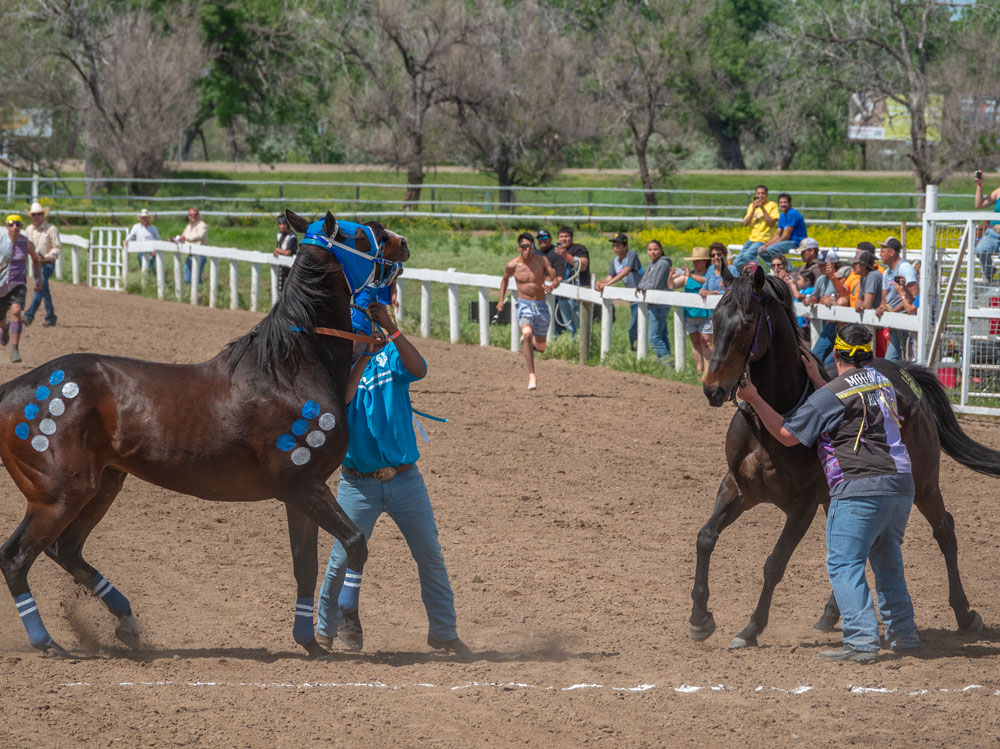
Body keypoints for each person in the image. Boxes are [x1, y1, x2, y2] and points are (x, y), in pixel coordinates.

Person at [737, 324, 918, 662]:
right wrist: (822, 383)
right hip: (900, 486)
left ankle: (862, 641)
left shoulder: (830, 396)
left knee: (844, 563)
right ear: (870, 355)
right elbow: (851, 399)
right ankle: (904, 635)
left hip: (859, 487)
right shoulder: (883, 383)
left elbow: (787, 434)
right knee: (887, 560)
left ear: (834, 355)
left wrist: (754, 397)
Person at [316, 300, 471, 659]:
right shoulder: (336, 373)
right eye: (352, 337)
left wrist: (392, 329)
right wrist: (363, 359)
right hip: (358, 484)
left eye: (359, 335)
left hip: (405, 481)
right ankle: (323, 632)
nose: (355, 341)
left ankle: (444, 633)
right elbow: (343, 401)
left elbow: (419, 368)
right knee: (340, 558)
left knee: (429, 554)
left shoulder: (391, 359)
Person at [497, 232, 560, 390]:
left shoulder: (542, 260)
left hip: (541, 306)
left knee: (541, 348)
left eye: (530, 246)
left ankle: (529, 340)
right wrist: (500, 300)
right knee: (526, 333)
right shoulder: (512, 265)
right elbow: (504, 279)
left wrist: (552, 286)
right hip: (524, 304)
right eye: (524, 247)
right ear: (519, 248)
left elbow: (555, 278)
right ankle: (532, 375)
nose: (528, 250)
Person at [0, 216, 42, 363]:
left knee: (16, 311)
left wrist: (39, 279)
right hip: (1, 285)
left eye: (18, 225)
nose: (14, 228)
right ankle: (4, 327)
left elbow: (36, 260)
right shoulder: (1, 240)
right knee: (1, 318)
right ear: (7, 227)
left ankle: (15, 349)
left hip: (17, 283)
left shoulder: (26, 243)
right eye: (11, 225)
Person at [668, 246, 714, 376]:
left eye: (697, 260)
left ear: (704, 261)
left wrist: (690, 275)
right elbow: (672, 285)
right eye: (694, 260)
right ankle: (699, 371)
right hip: (690, 314)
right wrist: (670, 277)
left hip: (706, 314)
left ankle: (708, 372)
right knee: (695, 343)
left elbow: (708, 282)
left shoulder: (708, 274)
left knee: (706, 342)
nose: (695, 263)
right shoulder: (688, 276)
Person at [875, 236, 919, 362]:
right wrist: (882, 307)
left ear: (892, 252)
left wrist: (894, 310)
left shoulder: (905, 268)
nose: (880, 254)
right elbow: (884, 298)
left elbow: (914, 297)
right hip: (893, 319)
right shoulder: (886, 273)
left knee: (892, 358)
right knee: (896, 356)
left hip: (904, 320)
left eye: (883, 251)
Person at [596, 232, 642, 351]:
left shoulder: (632, 255)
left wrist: (608, 284)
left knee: (634, 327)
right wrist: (601, 283)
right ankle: (637, 351)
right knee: (637, 327)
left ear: (625, 247)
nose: (615, 248)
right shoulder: (614, 262)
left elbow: (626, 271)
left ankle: (637, 351)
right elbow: (609, 278)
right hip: (633, 299)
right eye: (614, 245)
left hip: (642, 296)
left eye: (618, 245)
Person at [23, 202, 60, 327]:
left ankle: (29, 315)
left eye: (39, 214)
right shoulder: (29, 230)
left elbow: (57, 248)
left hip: (47, 264)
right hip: (36, 264)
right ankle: (51, 317)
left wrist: (47, 256)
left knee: (39, 288)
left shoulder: (51, 229)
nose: (36, 217)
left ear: (43, 215)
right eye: (34, 215)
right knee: (44, 290)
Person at [635, 239, 672, 363]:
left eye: (655, 249)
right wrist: (642, 286)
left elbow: (656, 284)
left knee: (654, 338)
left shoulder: (663, 264)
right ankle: (669, 364)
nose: (653, 252)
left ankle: (668, 365)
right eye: (650, 250)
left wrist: (643, 286)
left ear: (661, 250)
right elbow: (643, 280)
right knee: (662, 336)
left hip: (659, 303)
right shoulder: (652, 264)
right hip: (654, 303)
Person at [810, 250, 847, 367]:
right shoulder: (821, 278)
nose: (820, 267)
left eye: (823, 264)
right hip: (830, 325)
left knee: (829, 362)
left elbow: (824, 298)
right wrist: (814, 299)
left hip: (840, 325)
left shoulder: (836, 279)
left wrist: (819, 299)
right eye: (820, 264)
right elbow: (815, 297)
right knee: (815, 355)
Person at [551, 226, 590, 336]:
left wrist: (566, 255)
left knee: (580, 326)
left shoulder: (579, 249)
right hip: (563, 295)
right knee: (569, 327)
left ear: (572, 238)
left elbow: (583, 266)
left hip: (578, 293)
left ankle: (582, 349)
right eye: (561, 237)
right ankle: (572, 347)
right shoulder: (555, 252)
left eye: (566, 236)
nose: (563, 239)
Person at [734, 185, 779, 271]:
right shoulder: (752, 205)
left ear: (767, 195)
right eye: (758, 193)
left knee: (748, 256)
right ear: (755, 194)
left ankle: (764, 274)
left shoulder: (772, 205)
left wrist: (762, 208)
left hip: (763, 239)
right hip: (752, 239)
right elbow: (746, 223)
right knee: (737, 262)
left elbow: (771, 223)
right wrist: (753, 210)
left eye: (763, 193)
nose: (761, 196)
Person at [761, 193, 808, 259]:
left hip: (797, 242)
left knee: (771, 249)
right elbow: (778, 234)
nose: (783, 204)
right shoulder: (782, 215)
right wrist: (766, 245)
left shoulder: (792, 213)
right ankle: (775, 267)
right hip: (788, 241)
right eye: (781, 202)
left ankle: (787, 268)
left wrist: (771, 245)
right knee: (761, 251)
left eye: (785, 202)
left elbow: (786, 235)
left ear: (790, 203)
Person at [973, 169, 1000, 282]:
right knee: (980, 250)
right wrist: (980, 184)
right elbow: (979, 204)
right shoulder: (999, 191)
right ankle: (989, 271)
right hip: (993, 232)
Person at [177, 206, 209, 285]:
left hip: (200, 255)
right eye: (191, 215)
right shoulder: (188, 226)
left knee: (196, 278)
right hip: (190, 255)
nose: (193, 216)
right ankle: (191, 295)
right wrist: (176, 240)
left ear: (198, 215)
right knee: (188, 279)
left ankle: (199, 295)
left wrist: (185, 237)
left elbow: (198, 237)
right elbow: (183, 238)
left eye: (195, 214)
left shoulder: (203, 225)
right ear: (188, 216)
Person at [273, 214, 299, 296]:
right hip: (281, 266)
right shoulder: (279, 235)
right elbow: (278, 247)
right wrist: (277, 251)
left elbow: (288, 252)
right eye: (280, 224)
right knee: (280, 289)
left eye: (284, 224)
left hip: (290, 267)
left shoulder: (292, 237)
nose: (282, 226)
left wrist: (278, 250)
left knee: (289, 290)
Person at [851, 248, 883, 314]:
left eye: (855, 264)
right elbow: (859, 301)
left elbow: (867, 305)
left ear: (864, 266)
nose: (853, 266)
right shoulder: (863, 277)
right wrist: (860, 303)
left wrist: (860, 304)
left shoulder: (872, 275)